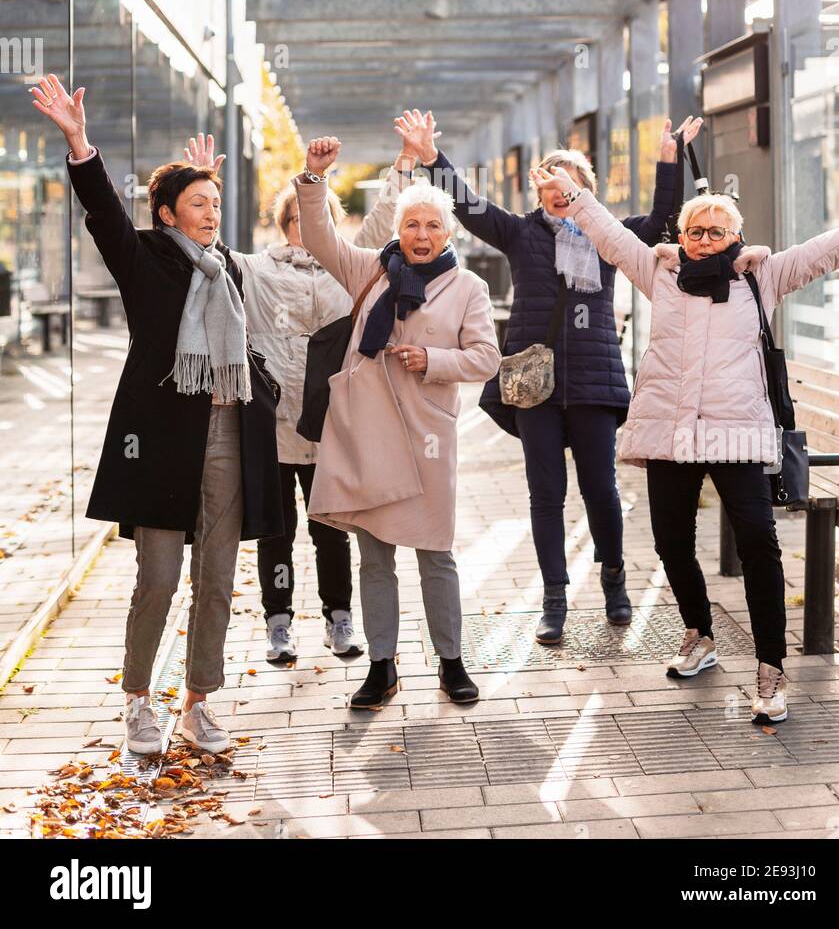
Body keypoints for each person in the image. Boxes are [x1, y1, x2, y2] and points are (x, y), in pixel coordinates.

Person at [529, 166, 839, 723]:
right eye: (695, 230)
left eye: (716, 230)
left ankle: (770, 668)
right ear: (681, 236)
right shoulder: (658, 271)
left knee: (759, 543)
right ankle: (700, 635)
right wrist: (576, 196)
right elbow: (611, 237)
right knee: (670, 542)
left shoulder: (765, 276)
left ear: (737, 235)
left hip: (737, 434)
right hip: (670, 432)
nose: (705, 239)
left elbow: (826, 250)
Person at [31, 76, 282, 756]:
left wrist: (198, 173)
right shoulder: (143, 262)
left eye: (216, 202)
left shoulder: (223, 267)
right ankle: (138, 700)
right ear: (166, 214)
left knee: (220, 580)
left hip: (229, 429)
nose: (210, 212)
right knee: (160, 577)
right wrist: (80, 144)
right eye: (197, 203)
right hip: (164, 440)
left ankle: (200, 702)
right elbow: (106, 216)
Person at [400, 107, 701, 643]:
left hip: (594, 381)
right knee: (546, 494)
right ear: (539, 192)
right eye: (550, 183)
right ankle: (554, 598)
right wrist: (430, 157)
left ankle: (613, 580)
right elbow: (470, 207)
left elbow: (661, 222)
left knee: (601, 490)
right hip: (533, 384)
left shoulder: (610, 237)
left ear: (583, 190)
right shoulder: (519, 234)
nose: (560, 193)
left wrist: (667, 160)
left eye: (571, 184)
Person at [182, 132, 419, 665]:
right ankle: (279, 622)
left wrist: (404, 161)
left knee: (331, 527)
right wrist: (198, 183)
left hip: (329, 424)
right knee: (277, 531)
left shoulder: (346, 270)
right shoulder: (256, 270)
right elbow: (205, 250)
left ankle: (339, 617)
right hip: (270, 424)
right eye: (297, 222)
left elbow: (381, 224)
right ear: (284, 224)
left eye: (317, 222)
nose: (306, 232)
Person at [294, 134, 501, 710]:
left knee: (436, 552)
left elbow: (486, 358)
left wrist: (433, 361)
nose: (421, 235)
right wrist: (314, 179)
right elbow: (318, 236)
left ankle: (451, 661)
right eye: (412, 224)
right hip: (367, 433)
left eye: (433, 225)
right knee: (375, 555)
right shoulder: (368, 269)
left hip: (430, 436)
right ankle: (381, 667)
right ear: (398, 231)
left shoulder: (468, 288)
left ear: (448, 234)